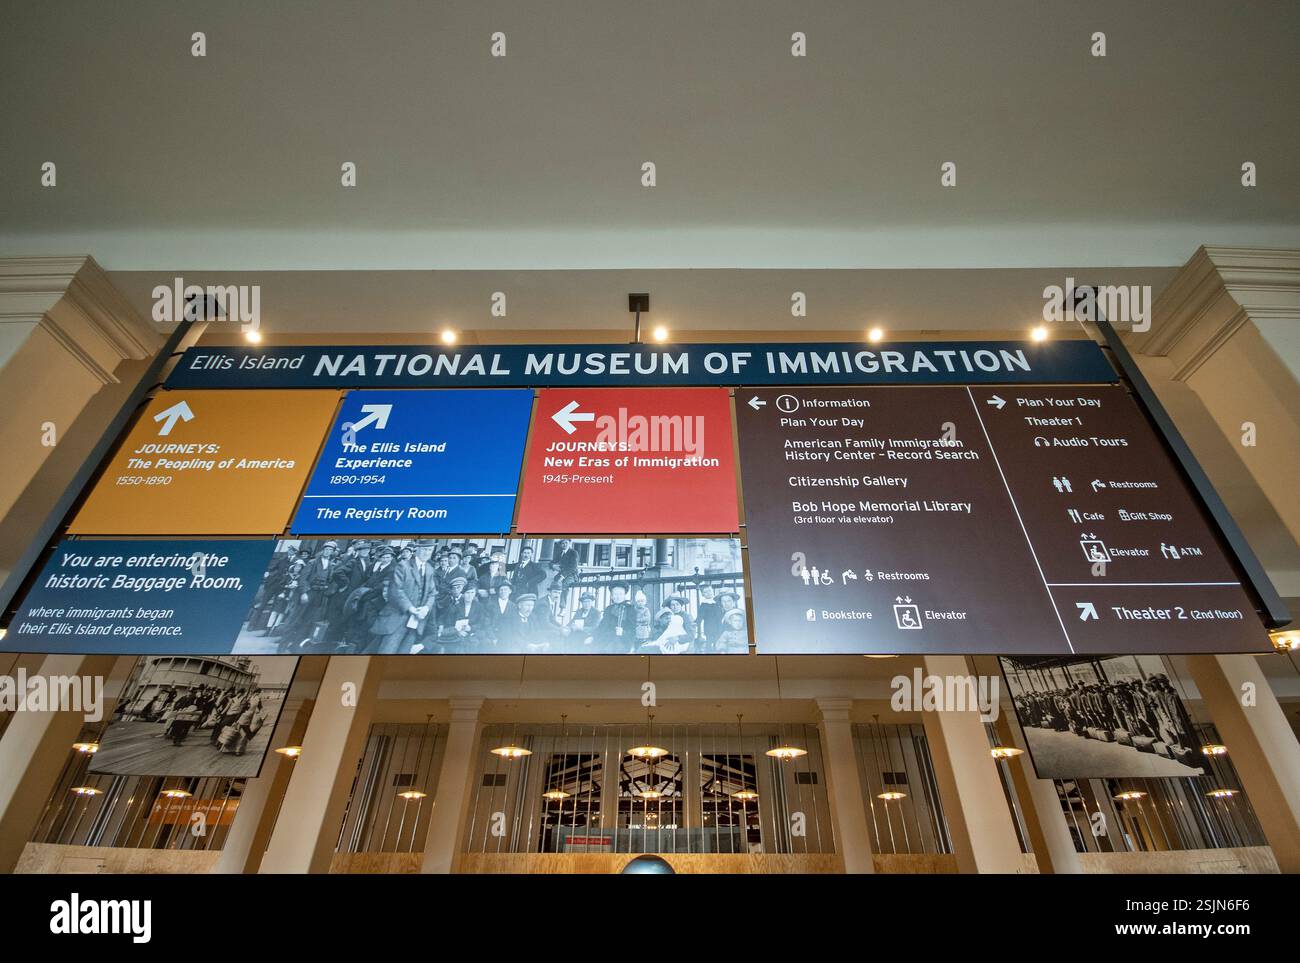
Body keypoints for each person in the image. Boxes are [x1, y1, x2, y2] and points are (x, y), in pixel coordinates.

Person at [375, 541, 439, 654]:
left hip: (416, 621)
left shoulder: (429, 569)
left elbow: (432, 593)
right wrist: (412, 609)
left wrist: (426, 608)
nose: (427, 553)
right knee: (387, 652)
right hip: (397, 619)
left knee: (403, 654)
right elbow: (396, 591)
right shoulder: (403, 565)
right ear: (417, 550)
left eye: (430, 550)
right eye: (424, 549)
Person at [591, 583, 634, 653]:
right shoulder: (608, 609)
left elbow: (633, 629)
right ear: (612, 596)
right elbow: (602, 626)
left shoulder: (630, 609)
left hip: (622, 641)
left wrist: (623, 632)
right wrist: (593, 636)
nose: (618, 597)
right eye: (615, 594)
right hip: (606, 639)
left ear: (624, 595)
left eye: (620, 594)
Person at [695, 584, 723, 650]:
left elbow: (722, 612)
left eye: (710, 591)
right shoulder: (704, 604)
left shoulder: (718, 602)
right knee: (709, 643)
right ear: (702, 594)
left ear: (712, 591)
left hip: (719, 625)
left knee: (718, 642)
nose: (708, 593)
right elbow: (700, 616)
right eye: (705, 592)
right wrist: (696, 622)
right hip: (709, 627)